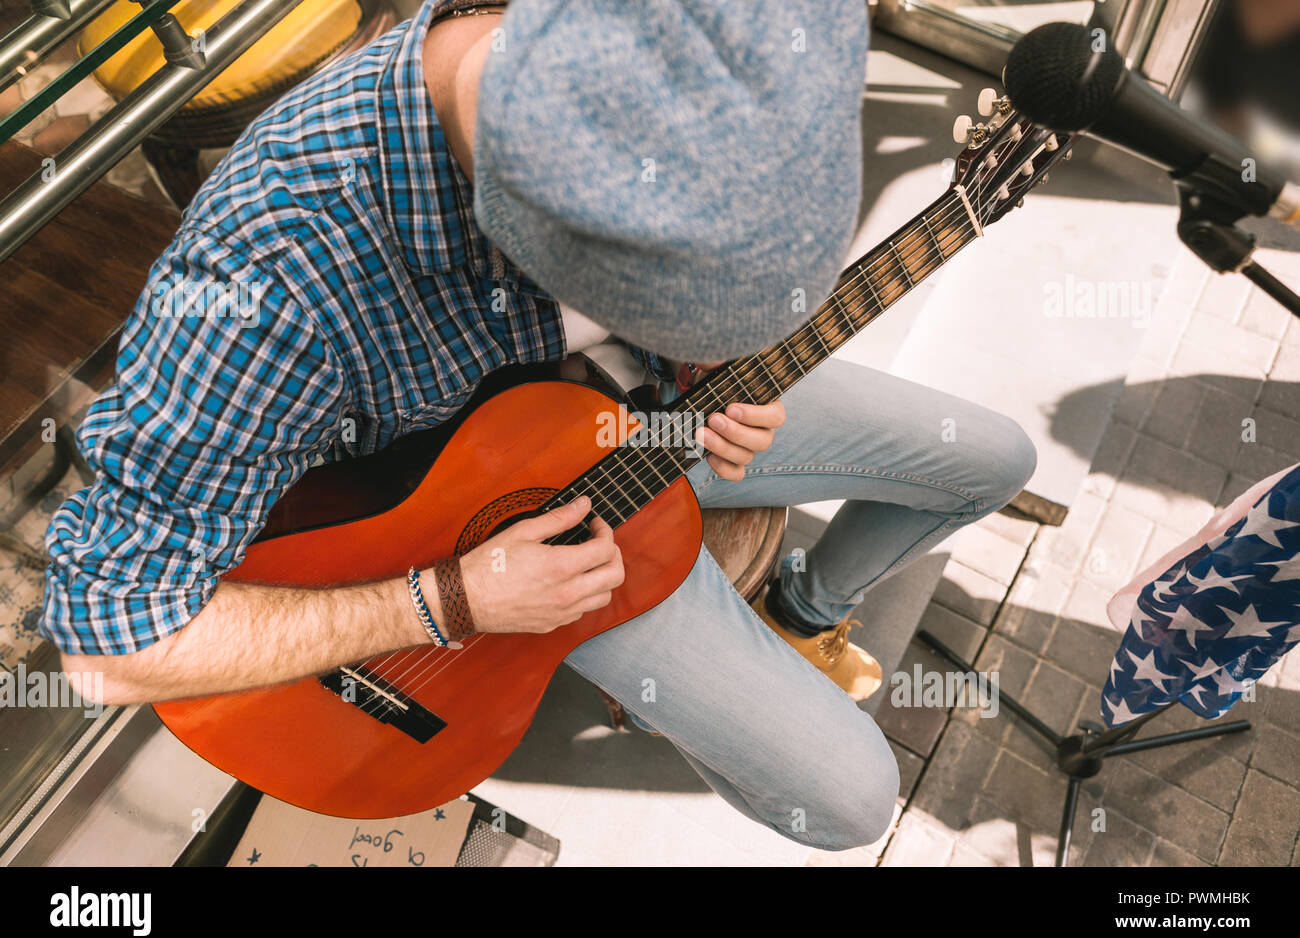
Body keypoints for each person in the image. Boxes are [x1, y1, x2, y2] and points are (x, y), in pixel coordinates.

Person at [40, 0, 1035, 850]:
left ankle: (803, 609)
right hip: (471, 534)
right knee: (852, 797)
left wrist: (701, 364)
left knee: (990, 459)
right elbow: (110, 640)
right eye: (666, 302)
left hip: (629, 422)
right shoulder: (268, 285)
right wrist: (450, 599)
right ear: (539, 236)